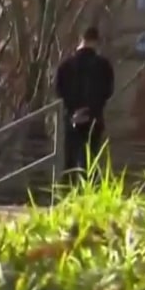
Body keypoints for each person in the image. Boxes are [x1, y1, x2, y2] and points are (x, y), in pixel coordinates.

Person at [54, 27, 115, 180]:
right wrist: (92, 107)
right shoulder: (103, 65)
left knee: (70, 159)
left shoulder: (66, 65)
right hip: (94, 117)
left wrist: (74, 109)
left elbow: (59, 90)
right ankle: (88, 189)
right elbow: (108, 91)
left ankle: (67, 188)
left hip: (72, 117)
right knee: (91, 160)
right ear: (96, 42)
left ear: (81, 40)